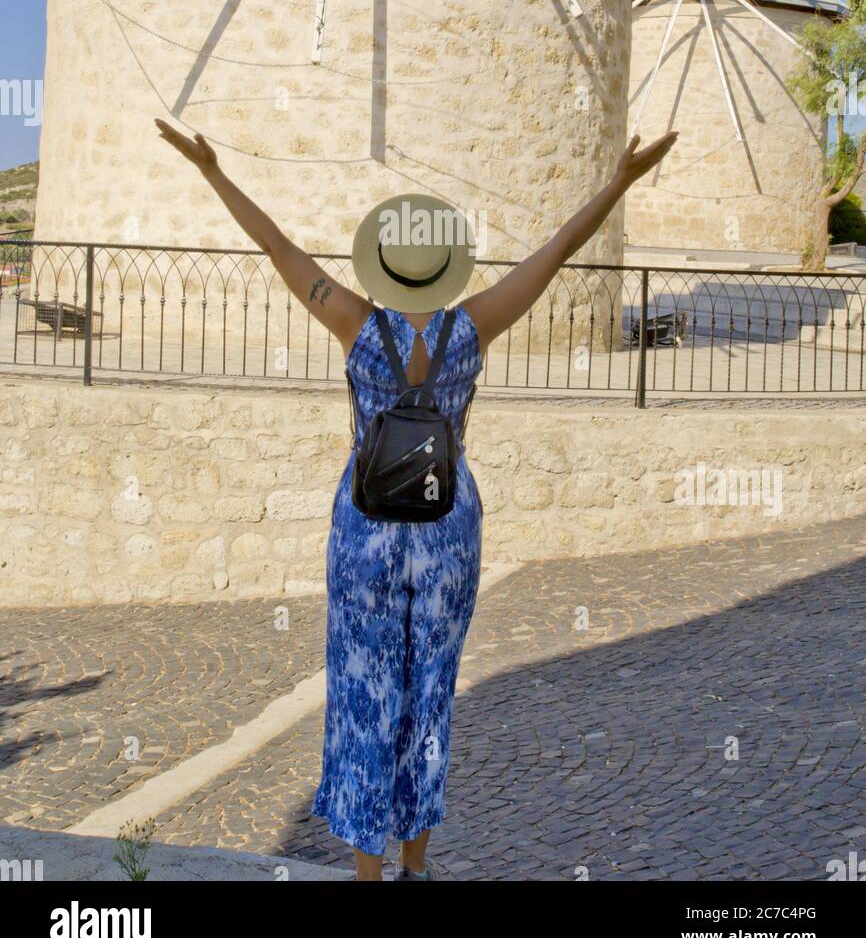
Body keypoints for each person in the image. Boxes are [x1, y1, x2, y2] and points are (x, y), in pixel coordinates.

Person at [155, 117, 677, 880]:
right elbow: (558, 251)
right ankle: (416, 867)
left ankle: (368, 874)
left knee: (367, 696)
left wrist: (212, 170)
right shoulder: (473, 328)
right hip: (446, 533)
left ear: (384, 264)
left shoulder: (353, 323)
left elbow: (276, 249)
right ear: (445, 268)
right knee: (428, 697)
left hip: (366, 530)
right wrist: (619, 181)